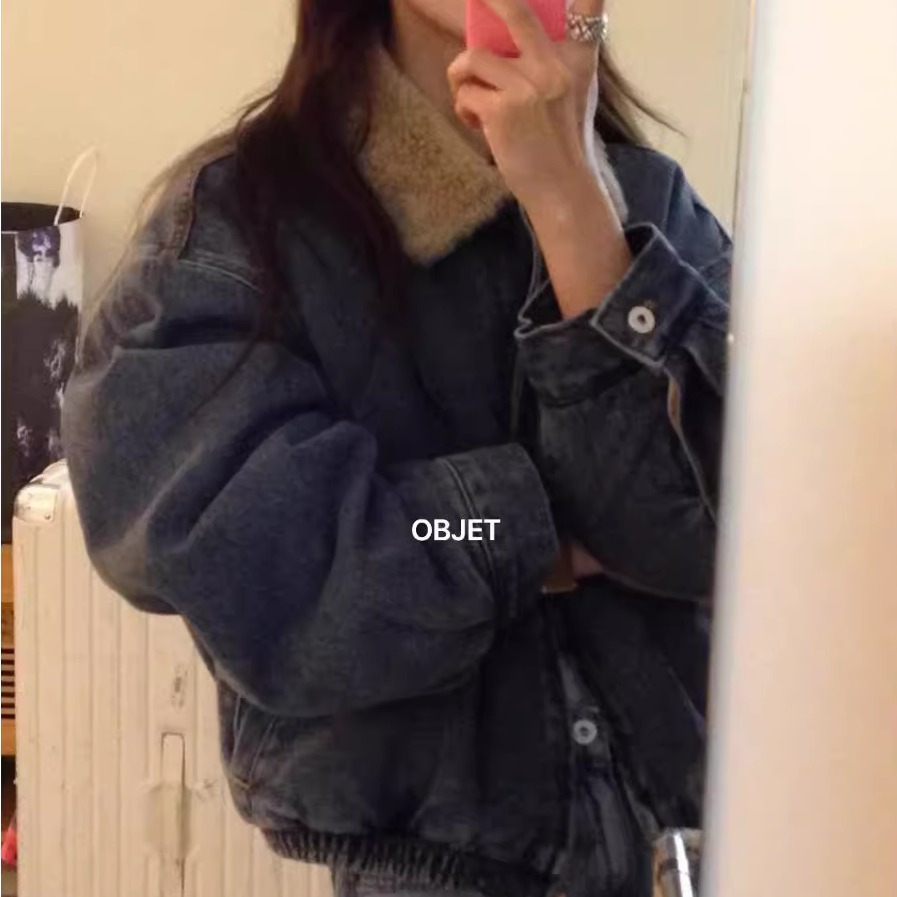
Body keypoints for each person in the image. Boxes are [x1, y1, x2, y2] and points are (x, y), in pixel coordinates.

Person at [62, 0, 730, 895]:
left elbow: (710, 527)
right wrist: (523, 530)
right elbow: (286, 563)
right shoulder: (237, 227)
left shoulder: (654, 207)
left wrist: (571, 198)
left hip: (702, 855)